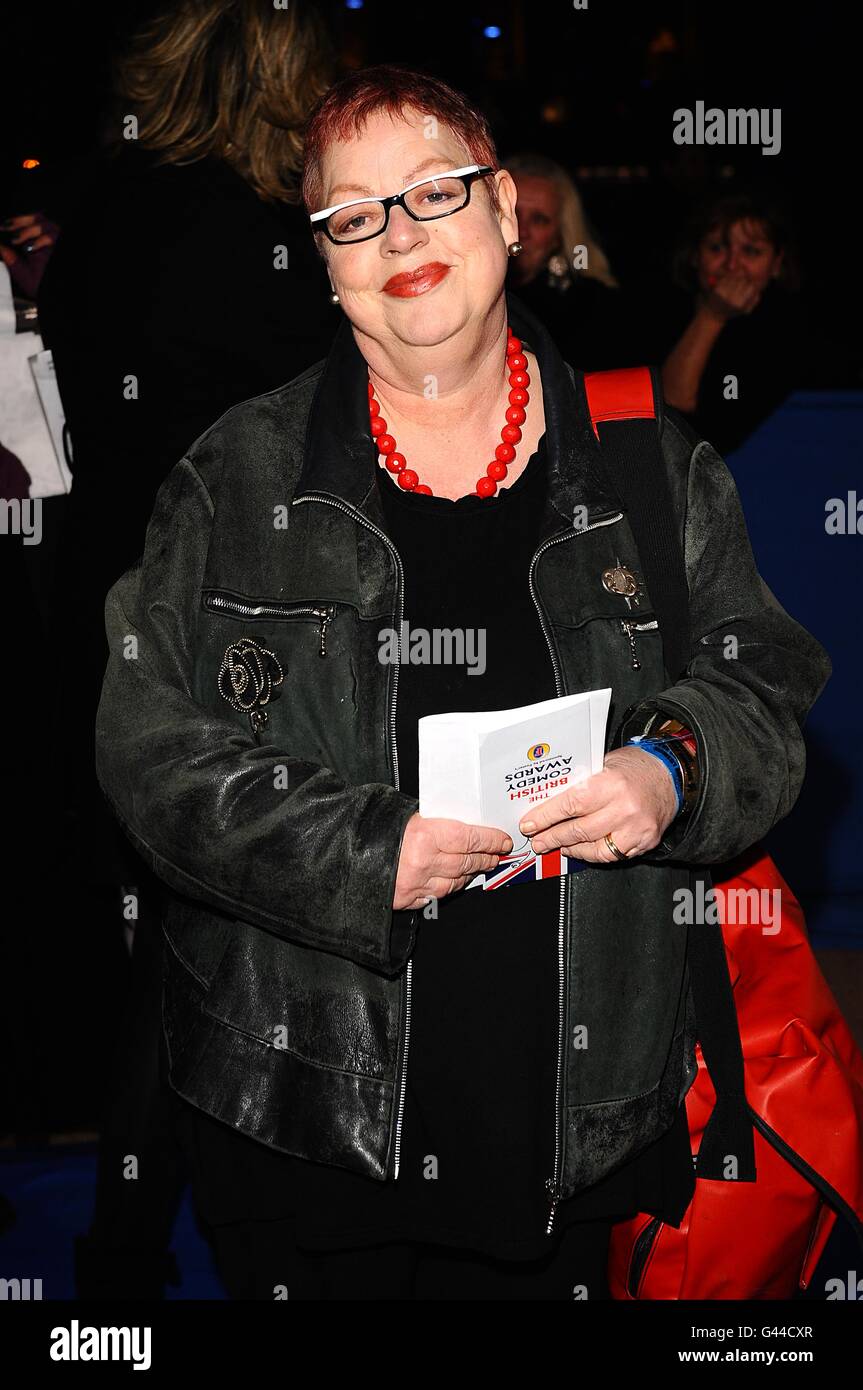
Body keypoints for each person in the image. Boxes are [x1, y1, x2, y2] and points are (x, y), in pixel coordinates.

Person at [94, 63, 831, 1300]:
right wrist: (359, 850)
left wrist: (670, 766)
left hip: (577, 1116)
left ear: (506, 214)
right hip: (311, 1125)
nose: (398, 235)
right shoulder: (235, 475)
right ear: (324, 263)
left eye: (434, 192)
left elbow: (764, 684)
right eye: (352, 214)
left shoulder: (649, 463)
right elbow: (147, 749)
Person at [35, 0, 337, 1298]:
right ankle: (155, 1234)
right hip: (232, 618)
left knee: (188, 915)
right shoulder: (267, 235)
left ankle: (144, 1229)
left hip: (110, 610)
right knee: (213, 919)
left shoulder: (104, 205)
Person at [642, 192, 805, 455]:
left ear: (776, 263)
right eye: (717, 248)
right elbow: (671, 408)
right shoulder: (659, 317)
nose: (732, 265)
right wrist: (711, 315)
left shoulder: (793, 332)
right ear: (695, 256)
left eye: (751, 251)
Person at [503, 152, 629, 371]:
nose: (521, 230)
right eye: (512, 213)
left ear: (559, 236)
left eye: (539, 219)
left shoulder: (590, 308)